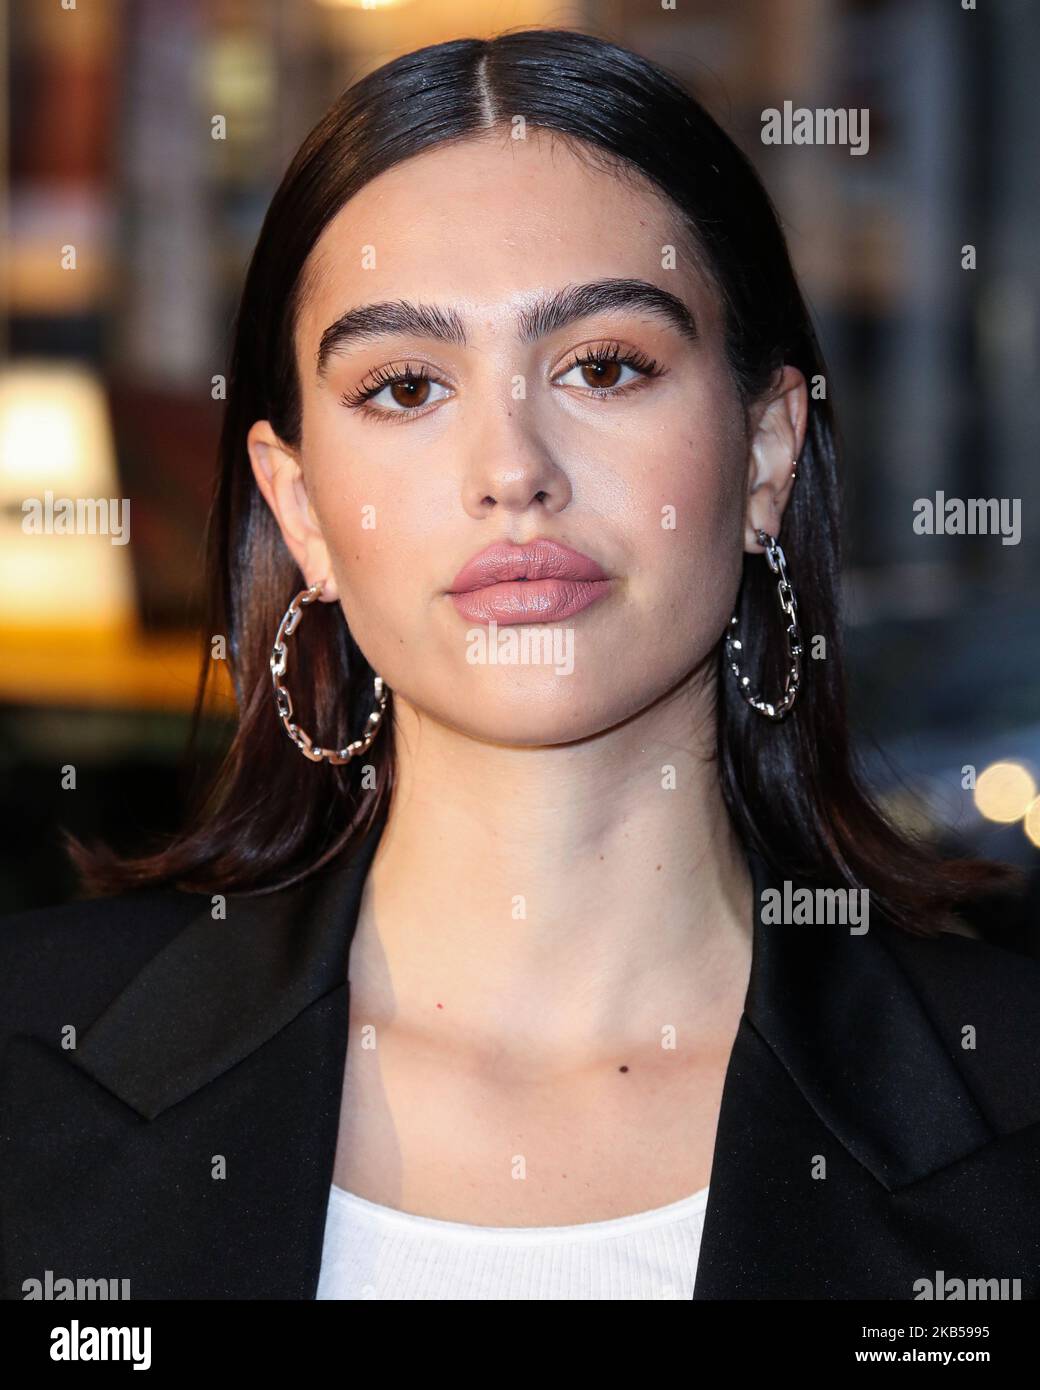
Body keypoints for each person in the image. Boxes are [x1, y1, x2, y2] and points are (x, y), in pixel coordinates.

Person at [2, 28, 1038, 1303]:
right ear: (301, 508)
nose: (512, 469)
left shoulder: (1004, 1101)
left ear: (765, 452)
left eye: (603, 366)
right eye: (400, 387)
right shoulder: (30, 1070)